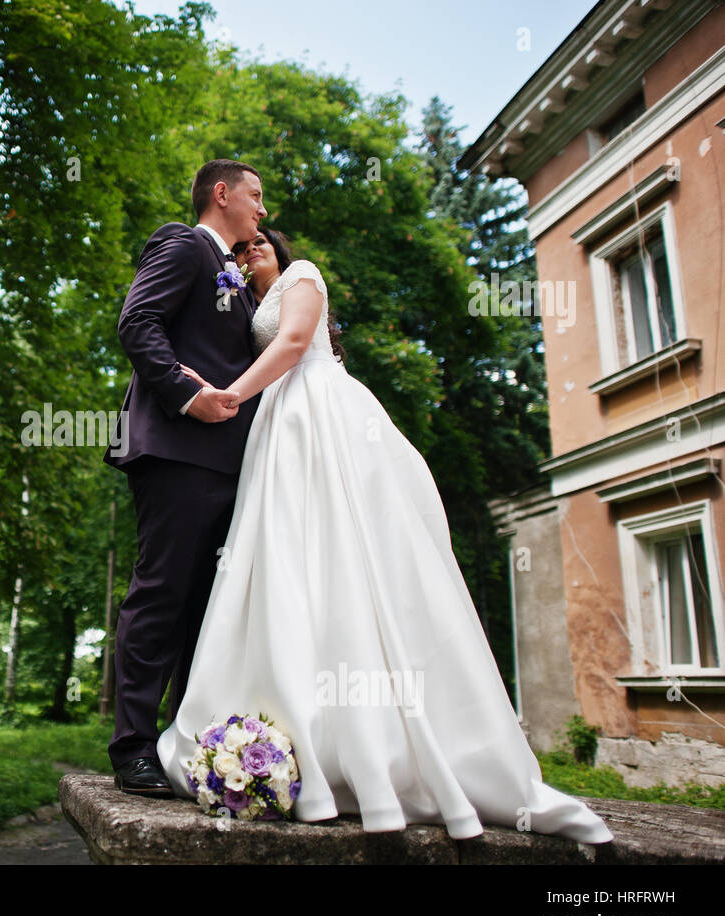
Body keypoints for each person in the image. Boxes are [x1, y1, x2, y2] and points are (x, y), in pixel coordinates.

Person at [155, 225, 614, 844]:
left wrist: (227, 395)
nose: (252, 246)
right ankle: (295, 739)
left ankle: (388, 751)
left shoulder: (303, 275)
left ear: (284, 251)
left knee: (351, 551)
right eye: (242, 248)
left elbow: (292, 344)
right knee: (285, 561)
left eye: (263, 239)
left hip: (320, 414)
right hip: (279, 428)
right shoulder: (243, 308)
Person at [102, 159, 267, 797]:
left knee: (207, 606)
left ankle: (183, 742)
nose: (261, 209)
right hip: (174, 449)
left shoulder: (243, 274)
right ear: (220, 194)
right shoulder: (182, 243)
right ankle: (133, 747)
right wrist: (183, 394)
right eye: (254, 196)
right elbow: (136, 323)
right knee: (162, 594)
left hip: (232, 461)